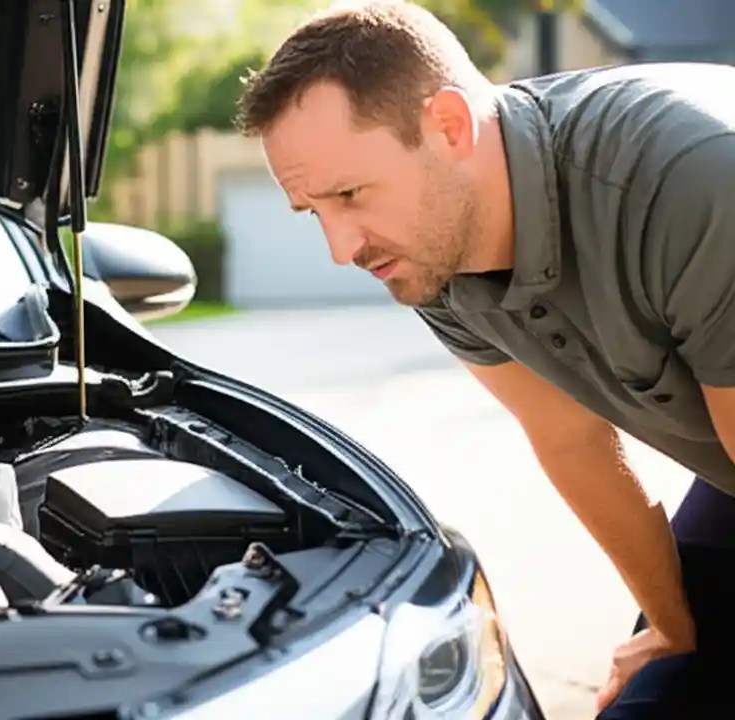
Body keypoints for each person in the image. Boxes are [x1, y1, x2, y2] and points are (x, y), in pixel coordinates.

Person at [235, 0, 735, 716]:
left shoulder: (686, 185)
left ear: (448, 125)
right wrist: (675, 632)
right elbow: (571, 438)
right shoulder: (436, 252)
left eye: (350, 194)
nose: (342, 249)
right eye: (316, 211)